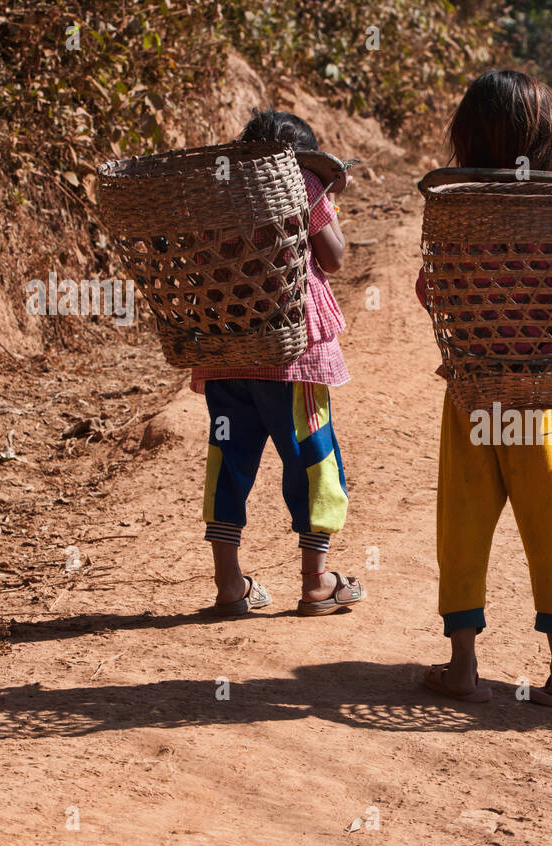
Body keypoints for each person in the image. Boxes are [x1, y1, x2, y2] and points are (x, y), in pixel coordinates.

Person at [416, 70, 552, 705]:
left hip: (471, 394)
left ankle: (463, 665)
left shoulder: (455, 208)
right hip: (542, 398)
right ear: (545, 141)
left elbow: (426, 289)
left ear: (466, 138)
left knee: (462, 524)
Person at [194, 109, 365, 617]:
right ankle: (316, 582)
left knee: (228, 458)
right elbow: (333, 258)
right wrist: (325, 205)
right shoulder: (302, 180)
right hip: (291, 354)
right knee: (313, 457)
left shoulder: (221, 190)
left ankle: (230, 584)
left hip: (229, 345)